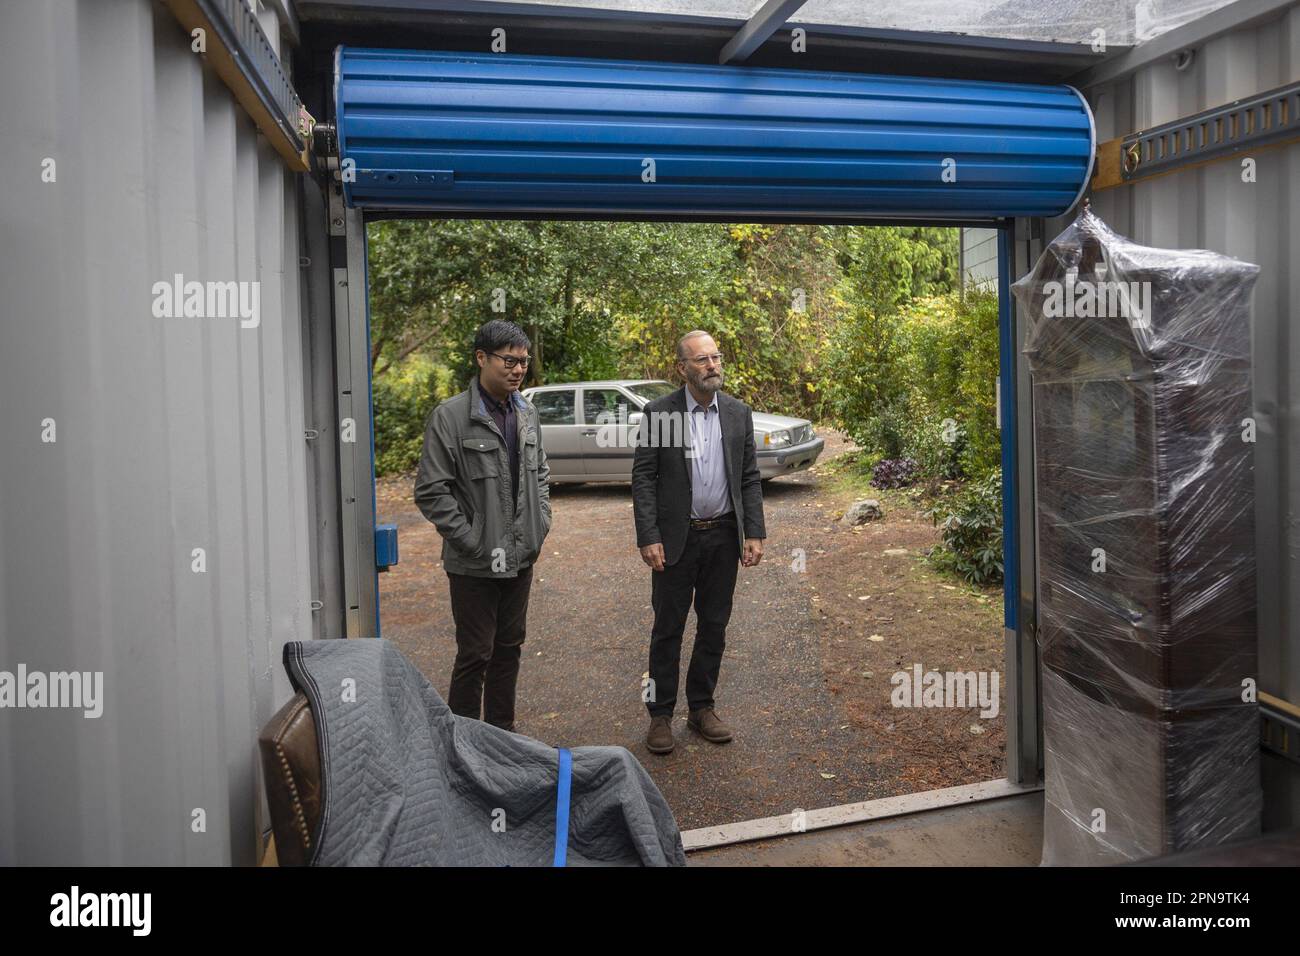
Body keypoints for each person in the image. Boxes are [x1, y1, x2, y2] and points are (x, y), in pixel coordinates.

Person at [632, 330, 766, 755]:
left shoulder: (737, 413)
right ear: (682, 368)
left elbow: (748, 476)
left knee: (714, 625)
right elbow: (644, 478)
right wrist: (649, 536)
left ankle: (702, 707)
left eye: (716, 357)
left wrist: (754, 531)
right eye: (702, 360)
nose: (713, 366)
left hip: (723, 536)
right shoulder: (661, 414)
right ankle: (660, 715)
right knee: (667, 629)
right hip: (676, 540)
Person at [413, 319, 551, 732]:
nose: (517, 369)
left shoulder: (527, 412)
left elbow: (540, 473)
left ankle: (502, 737)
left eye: (523, 362)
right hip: (474, 563)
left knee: (509, 649)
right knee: (476, 653)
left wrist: (540, 523)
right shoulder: (451, 417)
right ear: (481, 358)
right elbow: (431, 490)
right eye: (509, 361)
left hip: (520, 557)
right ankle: (464, 741)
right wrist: (471, 538)